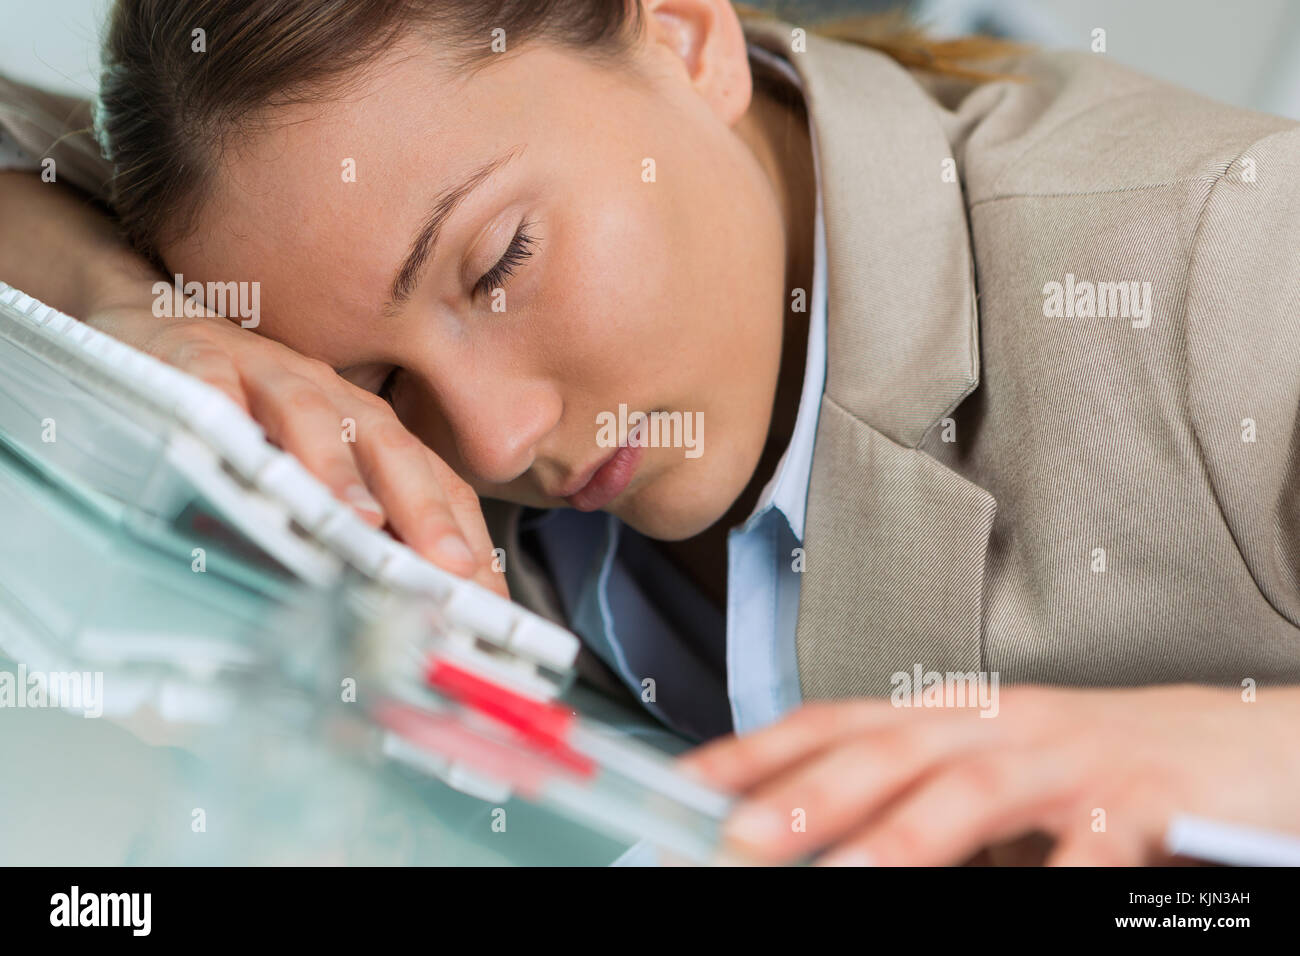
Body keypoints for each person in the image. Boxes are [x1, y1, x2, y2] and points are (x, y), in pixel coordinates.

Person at [2, 0, 1298, 866]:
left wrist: (1194, 749)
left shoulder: (1228, 261)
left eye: (499, 262)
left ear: (682, 33)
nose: (498, 441)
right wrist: (138, 312)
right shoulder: (345, 294)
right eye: (371, 380)